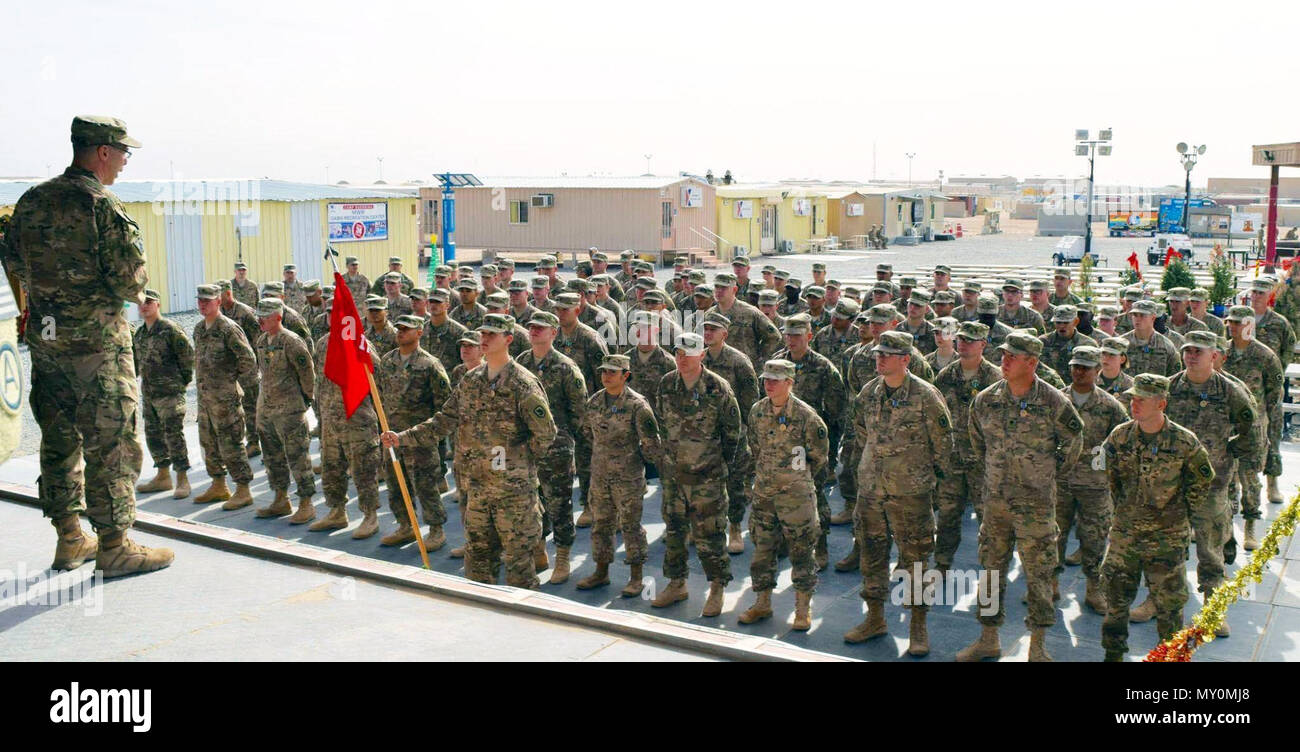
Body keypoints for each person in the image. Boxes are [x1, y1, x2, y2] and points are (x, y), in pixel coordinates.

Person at [0, 115, 173, 576]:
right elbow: (129, 280)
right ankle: (115, 545)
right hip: (97, 347)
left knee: (59, 440)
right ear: (101, 152)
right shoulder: (100, 204)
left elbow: (13, 259)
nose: (124, 163)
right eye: (122, 153)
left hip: (48, 342)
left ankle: (71, 539)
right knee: (112, 442)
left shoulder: (32, 201)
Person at [382, 313, 557, 589]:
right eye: (482, 334)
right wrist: (402, 438)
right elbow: (443, 420)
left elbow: (546, 434)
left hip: (514, 495)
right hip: (476, 491)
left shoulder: (523, 383)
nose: (483, 339)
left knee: (519, 573)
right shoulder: (471, 381)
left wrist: (518, 464)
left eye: (491, 335)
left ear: (508, 339)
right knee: (477, 570)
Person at [958, 332, 1084, 662]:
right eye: (1003, 355)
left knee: (1040, 576)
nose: (1005, 360)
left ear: (1032, 363)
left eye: (1013, 356)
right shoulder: (985, 400)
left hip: (1036, 505)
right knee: (990, 572)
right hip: (996, 503)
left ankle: (1037, 647)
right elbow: (978, 442)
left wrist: (1048, 473)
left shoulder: (1054, 401)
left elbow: (1074, 439)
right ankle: (988, 639)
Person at [843, 332, 954, 656]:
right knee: (872, 556)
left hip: (911, 493)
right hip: (872, 491)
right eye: (878, 354)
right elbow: (862, 433)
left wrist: (930, 486)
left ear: (905, 360)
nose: (880, 359)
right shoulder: (869, 392)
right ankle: (874, 618)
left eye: (887, 355)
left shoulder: (926, 395)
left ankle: (917, 626)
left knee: (916, 560)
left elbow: (943, 446)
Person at [1101, 374, 1215, 662]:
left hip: (1166, 537)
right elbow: (1113, 479)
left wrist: (1176, 517)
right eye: (1133, 398)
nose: (1133, 403)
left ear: (1161, 403)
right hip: (1125, 534)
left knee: (1169, 607)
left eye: (1142, 399)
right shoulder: (1120, 435)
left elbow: (1201, 483)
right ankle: (1113, 654)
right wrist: (1126, 512)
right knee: (1115, 600)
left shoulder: (1184, 442)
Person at [652, 333, 741, 616]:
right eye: (678, 352)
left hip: (708, 477)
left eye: (688, 353)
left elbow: (732, 435)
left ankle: (716, 587)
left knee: (710, 535)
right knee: (675, 532)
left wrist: (716, 466)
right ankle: (677, 583)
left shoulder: (718, 388)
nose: (681, 358)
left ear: (702, 354)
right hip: (675, 475)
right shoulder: (667, 384)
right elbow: (662, 426)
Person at [738, 359, 828, 632]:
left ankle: (802, 608)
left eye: (775, 380)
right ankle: (762, 602)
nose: (769, 384)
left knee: (802, 552)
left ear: (790, 382)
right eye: (766, 379)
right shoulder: (757, 411)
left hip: (796, 498)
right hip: (765, 494)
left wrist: (794, 479)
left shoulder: (806, 416)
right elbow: (755, 446)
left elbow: (819, 456)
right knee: (762, 551)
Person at [576, 354, 662, 596]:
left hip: (628, 477)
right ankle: (601, 572)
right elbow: (587, 433)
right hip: (601, 474)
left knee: (630, 526)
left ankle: (636, 577)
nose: (606, 376)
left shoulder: (637, 405)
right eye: (604, 371)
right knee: (601, 525)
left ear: (625, 375)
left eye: (612, 372)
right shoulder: (595, 402)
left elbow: (651, 444)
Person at [516, 311, 588, 583]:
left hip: (556, 447)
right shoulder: (521, 363)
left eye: (541, 328)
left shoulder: (566, 368)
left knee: (559, 504)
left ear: (553, 333)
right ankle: (538, 548)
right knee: (531, 502)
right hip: (527, 447)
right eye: (532, 327)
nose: (534, 332)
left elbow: (580, 412)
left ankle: (563, 556)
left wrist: (569, 446)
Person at [1054, 346, 1127, 613]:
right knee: (1054, 536)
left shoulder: (1111, 407)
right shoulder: (1057, 400)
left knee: (1095, 538)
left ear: (1098, 371)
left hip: (1096, 485)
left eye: (1085, 367)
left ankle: (1094, 589)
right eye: (1075, 366)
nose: (1079, 372)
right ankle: (1051, 585)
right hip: (1060, 483)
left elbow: (1124, 444)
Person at [773, 313, 848, 570]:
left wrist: (826, 445)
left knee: (814, 495)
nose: (791, 339)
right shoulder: (776, 363)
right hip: (780, 442)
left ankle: (821, 545)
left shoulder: (823, 367)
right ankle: (786, 541)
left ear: (809, 336)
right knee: (782, 494)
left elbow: (837, 408)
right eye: (788, 334)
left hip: (809, 443)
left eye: (797, 335)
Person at [376, 315, 453, 549]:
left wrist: (434, 437)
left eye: (406, 329)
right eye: (398, 328)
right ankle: (405, 525)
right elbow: (379, 393)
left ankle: (436, 530)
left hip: (419, 438)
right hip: (392, 436)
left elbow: (444, 404)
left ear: (419, 333)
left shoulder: (430, 365)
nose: (400, 332)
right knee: (396, 484)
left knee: (426, 485)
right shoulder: (387, 361)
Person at [931, 322, 1001, 573]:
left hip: (983, 463)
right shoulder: (946, 376)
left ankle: (991, 567)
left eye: (970, 340)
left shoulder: (995, 379)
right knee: (947, 514)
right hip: (952, 458)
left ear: (983, 344)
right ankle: (942, 562)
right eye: (960, 339)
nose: (963, 344)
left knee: (988, 518)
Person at [310, 323, 383, 539]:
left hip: (357, 419)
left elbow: (378, 377)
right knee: (331, 468)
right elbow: (320, 380)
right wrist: (320, 413)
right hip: (330, 418)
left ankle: (370, 516)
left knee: (363, 470)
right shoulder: (323, 344)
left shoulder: (361, 344)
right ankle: (336, 511)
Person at [250, 298, 317, 523]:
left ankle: (306, 504)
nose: (260, 320)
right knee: (272, 457)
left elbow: (308, 373)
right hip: (267, 409)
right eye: (259, 315)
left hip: (289, 410)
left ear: (278, 317)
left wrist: (305, 400)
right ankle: (281, 498)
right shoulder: (262, 341)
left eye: (265, 316)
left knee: (298, 457)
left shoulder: (292, 341)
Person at [191, 284, 257, 509]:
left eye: (207, 300)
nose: (203, 304)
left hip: (226, 400)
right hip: (205, 400)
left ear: (218, 301)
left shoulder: (229, 328)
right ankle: (219, 485)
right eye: (200, 300)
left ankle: (243, 488)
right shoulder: (199, 329)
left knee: (231, 444)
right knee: (208, 443)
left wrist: (230, 380)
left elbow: (248, 360)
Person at [1222, 307, 1282, 550]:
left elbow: (1274, 394)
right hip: (1226, 425)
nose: (1232, 327)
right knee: (1226, 479)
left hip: (1253, 427)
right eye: (1230, 322)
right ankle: (1227, 531)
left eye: (1237, 322)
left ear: (1249, 324)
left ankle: (1250, 527)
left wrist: (1262, 421)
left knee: (1249, 479)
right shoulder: (1222, 352)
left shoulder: (1264, 356)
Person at [702, 311, 759, 553]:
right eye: (705, 328)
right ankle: (706, 526)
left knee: (735, 482)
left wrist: (747, 434)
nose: (708, 333)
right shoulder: (698, 359)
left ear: (724, 334)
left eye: (713, 329)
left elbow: (750, 402)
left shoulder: (739, 361)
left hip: (733, 432)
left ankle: (735, 527)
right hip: (705, 433)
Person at [133, 288, 195, 500]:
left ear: (158, 304)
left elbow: (187, 358)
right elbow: (135, 364)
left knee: (173, 435)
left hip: (170, 393)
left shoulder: (170, 329)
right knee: (153, 435)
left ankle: (182, 479)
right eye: (141, 302)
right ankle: (162, 476)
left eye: (149, 302)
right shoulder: (140, 334)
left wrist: (181, 383)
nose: (144, 306)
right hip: (149, 393)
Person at [219, 279, 264, 457]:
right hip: (231, 371)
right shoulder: (221, 312)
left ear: (228, 294)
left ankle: (254, 442)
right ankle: (241, 440)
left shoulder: (245, 313)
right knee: (235, 408)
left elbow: (259, 340)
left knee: (250, 407)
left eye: (219, 295)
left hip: (248, 369)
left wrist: (257, 368)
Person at [1122, 300, 1181, 376]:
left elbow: (1174, 376)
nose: (1138, 319)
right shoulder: (1123, 343)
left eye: (1143, 315)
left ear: (1153, 318)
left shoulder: (1166, 346)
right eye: (1135, 315)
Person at [1038, 305, 1096, 381]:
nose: (1062, 326)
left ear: (1076, 322)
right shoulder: (1043, 342)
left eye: (1066, 322)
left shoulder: (1088, 344)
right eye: (1058, 322)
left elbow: (1094, 373)